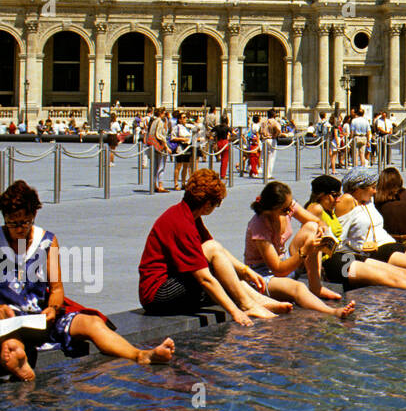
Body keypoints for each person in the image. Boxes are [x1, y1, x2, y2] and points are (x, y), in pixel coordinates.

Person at [1, 181, 175, 382]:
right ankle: (18, 358)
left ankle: (141, 355)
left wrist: (53, 308)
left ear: (34, 216)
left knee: (91, 322)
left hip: (41, 317)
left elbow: (56, 288)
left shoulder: (47, 241)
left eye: (25, 222)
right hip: (8, 319)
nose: (19, 229)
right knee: (9, 339)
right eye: (12, 223)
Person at [139, 169, 292, 325]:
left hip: (172, 285)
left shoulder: (188, 214)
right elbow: (205, 278)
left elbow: (220, 252)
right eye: (217, 204)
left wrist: (245, 271)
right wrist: (235, 311)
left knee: (220, 262)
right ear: (207, 205)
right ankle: (247, 304)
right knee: (213, 255)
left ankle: (257, 300)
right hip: (157, 295)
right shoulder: (180, 222)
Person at [244, 181, 356, 318]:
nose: (290, 211)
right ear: (272, 210)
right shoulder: (259, 225)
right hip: (261, 275)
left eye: (291, 205)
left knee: (311, 227)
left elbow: (315, 220)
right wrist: (304, 251)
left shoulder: (287, 207)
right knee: (298, 288)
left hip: (285, 261)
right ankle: (333, 312)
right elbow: (278, 270)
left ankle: (316, 287)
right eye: (285, 210)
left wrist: (322, 228)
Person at [145, 107, 172, 192]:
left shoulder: (154, 121)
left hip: (153, 145)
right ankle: (160, 185)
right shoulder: (160, 122)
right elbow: (159, 135)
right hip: (159, 146)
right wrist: (166, 146)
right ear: (161, 114)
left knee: (154, 166)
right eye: (164, 113)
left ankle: (154, 184)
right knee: (161, 166)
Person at [260, 109, 282, 179]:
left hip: (264, 140)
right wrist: (275, 135)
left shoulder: (263, 122)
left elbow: (260, 131)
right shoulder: (275, 122)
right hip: (271, 139)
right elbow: (278, 130)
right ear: (274, 115)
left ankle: (264, 172)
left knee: (264, 157)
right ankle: (268, 174)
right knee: (271, 157)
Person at [214, 113, 231, 180]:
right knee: (225, 160)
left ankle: (221, 173)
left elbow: (211, 132)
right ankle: (223, 174)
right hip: (225, 142)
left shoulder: (217, 127)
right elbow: (234, 133)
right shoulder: (227, 127)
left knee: (221, 159)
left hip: (219, 142)